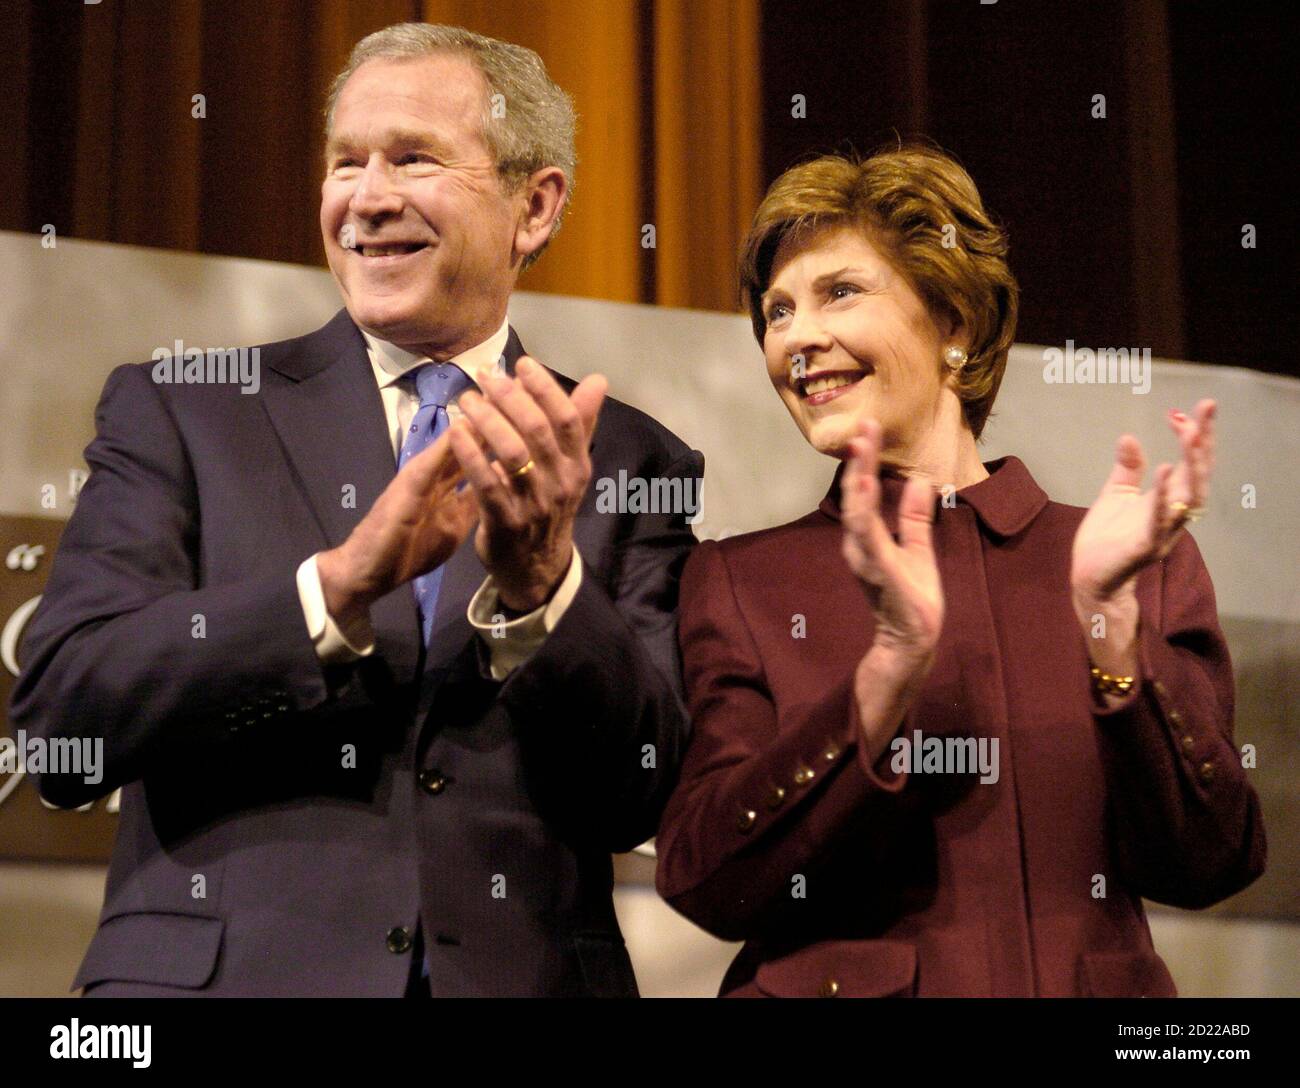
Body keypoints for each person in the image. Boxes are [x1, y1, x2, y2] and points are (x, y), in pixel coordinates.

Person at [11, 23, 702, 997]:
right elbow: (61, 725)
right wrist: (329, 593)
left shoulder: (625, 457)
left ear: (534, 206)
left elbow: (650, 788)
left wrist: (545, 589)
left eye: (414, 158)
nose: (367, 198)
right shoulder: (184, 410)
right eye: (346, 163)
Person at [654, 145, 1265, 997]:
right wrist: (887, 675)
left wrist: (1110, 628)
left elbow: (1209, 863)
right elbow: (706, 879)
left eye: (840, 292)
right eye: (777, 310)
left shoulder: (1123, 561)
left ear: (955, 326)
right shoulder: (742, 579)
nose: (797, 337)